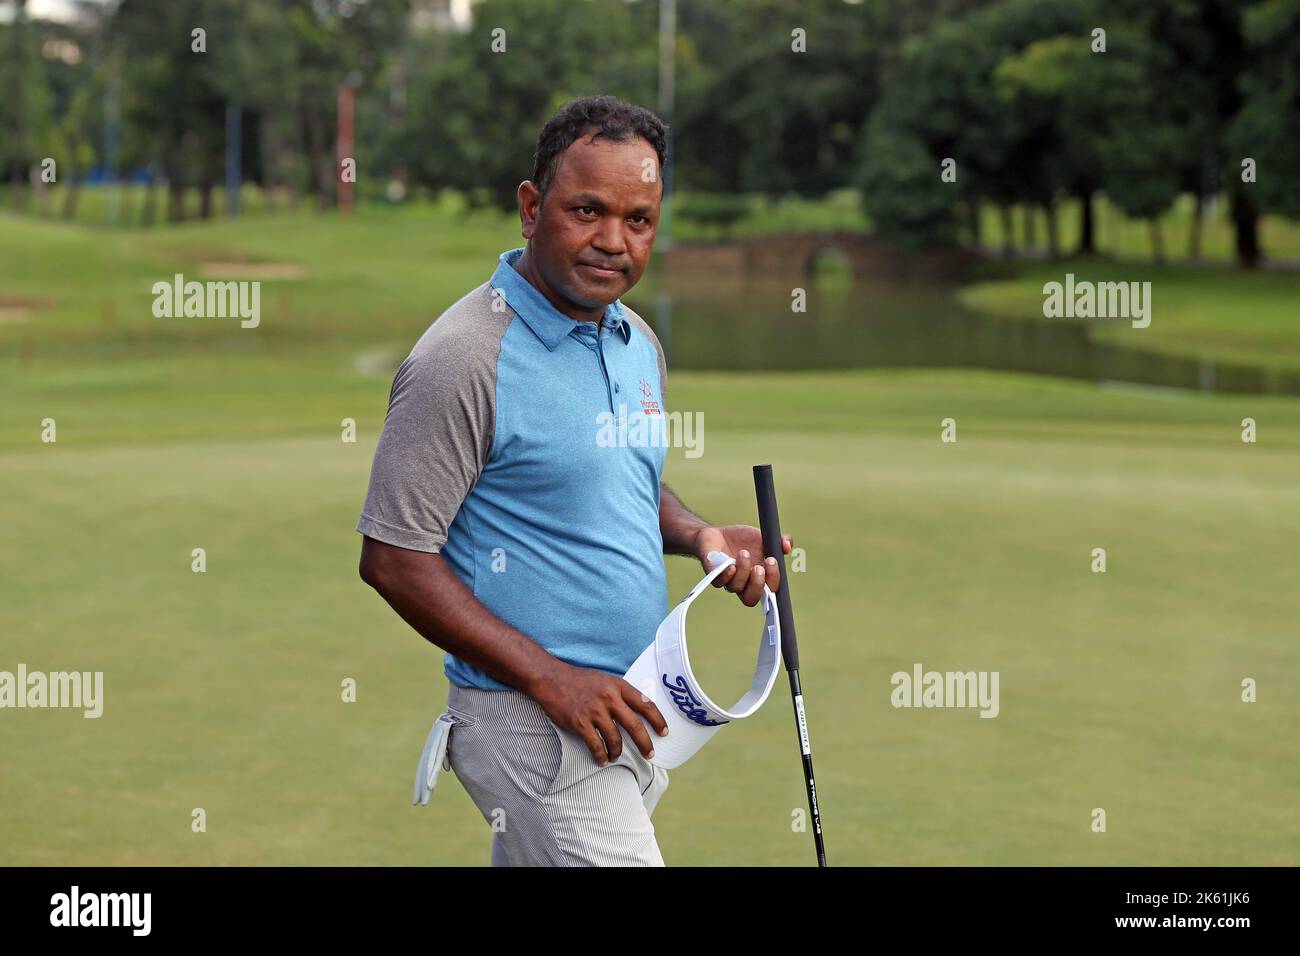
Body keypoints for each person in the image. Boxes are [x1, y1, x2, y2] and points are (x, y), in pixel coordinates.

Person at [356, 95, 791, 866]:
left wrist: (698, 535)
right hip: (529, 721)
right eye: (586, 210)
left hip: (627, 710)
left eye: (639, 219)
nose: (612, 242)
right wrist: (552, 678)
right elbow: (394, 558)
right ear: (531, 208)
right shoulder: (464, 358)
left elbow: (617, 482)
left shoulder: (635, 341)